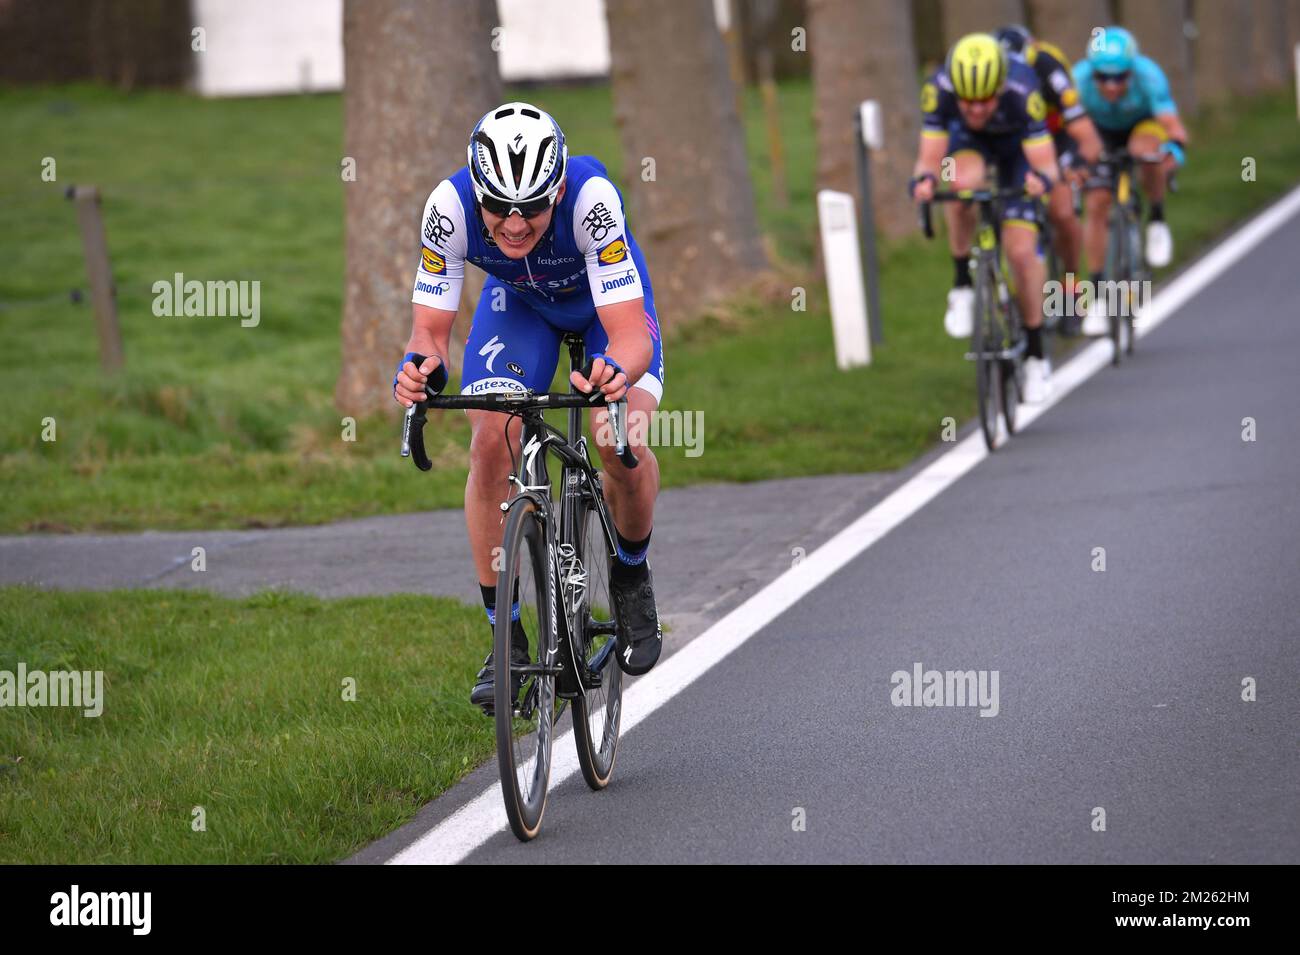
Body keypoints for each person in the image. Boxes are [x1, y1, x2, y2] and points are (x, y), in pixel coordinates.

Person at [392, 102, 665, 710]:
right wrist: (419, 370)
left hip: (604, 312)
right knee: (491, 438)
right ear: (475, 190)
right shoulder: (448, 210)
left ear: (558, 189)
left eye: (534, 209)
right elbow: (428, 333)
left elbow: (630, 334)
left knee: (620, 439)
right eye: (498, 208)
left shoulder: (592, 200)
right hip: (521, 308)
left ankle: (630, 573)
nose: (514, 226)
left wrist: (615, 372)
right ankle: (506, 635)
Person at [910, 32, 1061, 403]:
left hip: (1018, 153)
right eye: (967, 102)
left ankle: (1036, 356)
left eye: (985, 100)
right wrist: (925, 181)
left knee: (1022, 253)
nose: (976, 110)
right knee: (960, 185)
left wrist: (1040, 182)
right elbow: (930, 158)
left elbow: (1048, 166)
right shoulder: (939, 89)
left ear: (1001, 85)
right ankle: (962, 283)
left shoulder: (1025, 89)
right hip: (968, 147)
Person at [1073, 26, 1188, 335]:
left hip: (1142, 125)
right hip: (1099, 132)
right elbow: (1067, 128)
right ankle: (1097, 295)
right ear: (1091, 73)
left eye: (1120, 77)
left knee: (1146, 153)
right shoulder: (1077, 80)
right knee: (1096, 202)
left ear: (1132, 70)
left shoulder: (1149, 75)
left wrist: (1174, 148)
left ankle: (1157, 219)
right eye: (1102, 78)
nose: (1111, 86)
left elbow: (1172, 124)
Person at [995, 24, 1103, 335]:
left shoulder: (1046, 66)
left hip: (1054, 140)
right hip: (1013, 147)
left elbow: (1079, 123)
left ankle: (1070, 289)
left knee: (1062, 211)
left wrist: (1082, 157)